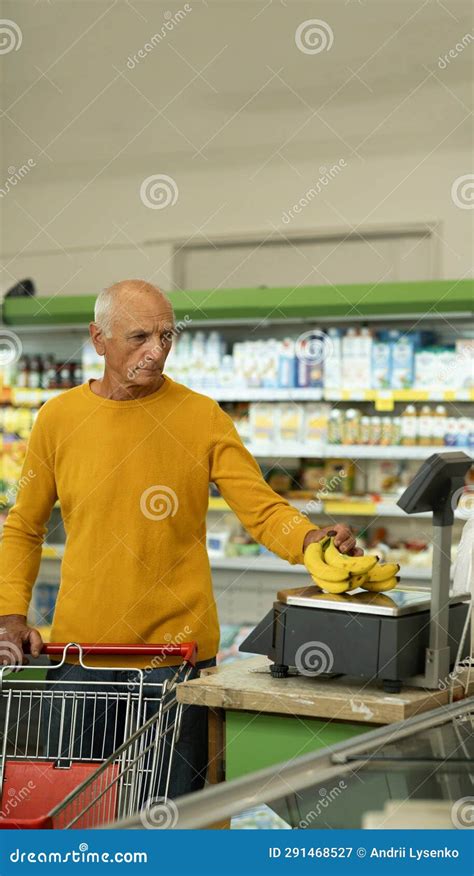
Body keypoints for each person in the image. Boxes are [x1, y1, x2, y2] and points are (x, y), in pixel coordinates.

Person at [0, 279, 362, 799]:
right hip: (80, 658)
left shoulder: (201, 416)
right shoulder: (57, 420)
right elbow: (24, 526)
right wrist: (12, 614)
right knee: (82, 815)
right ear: (98, 339)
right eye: (139, 337)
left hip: (177, 660)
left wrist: (311, 540)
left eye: (167, 336)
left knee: (172, 818)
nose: (156, 352)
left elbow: (260, 509)